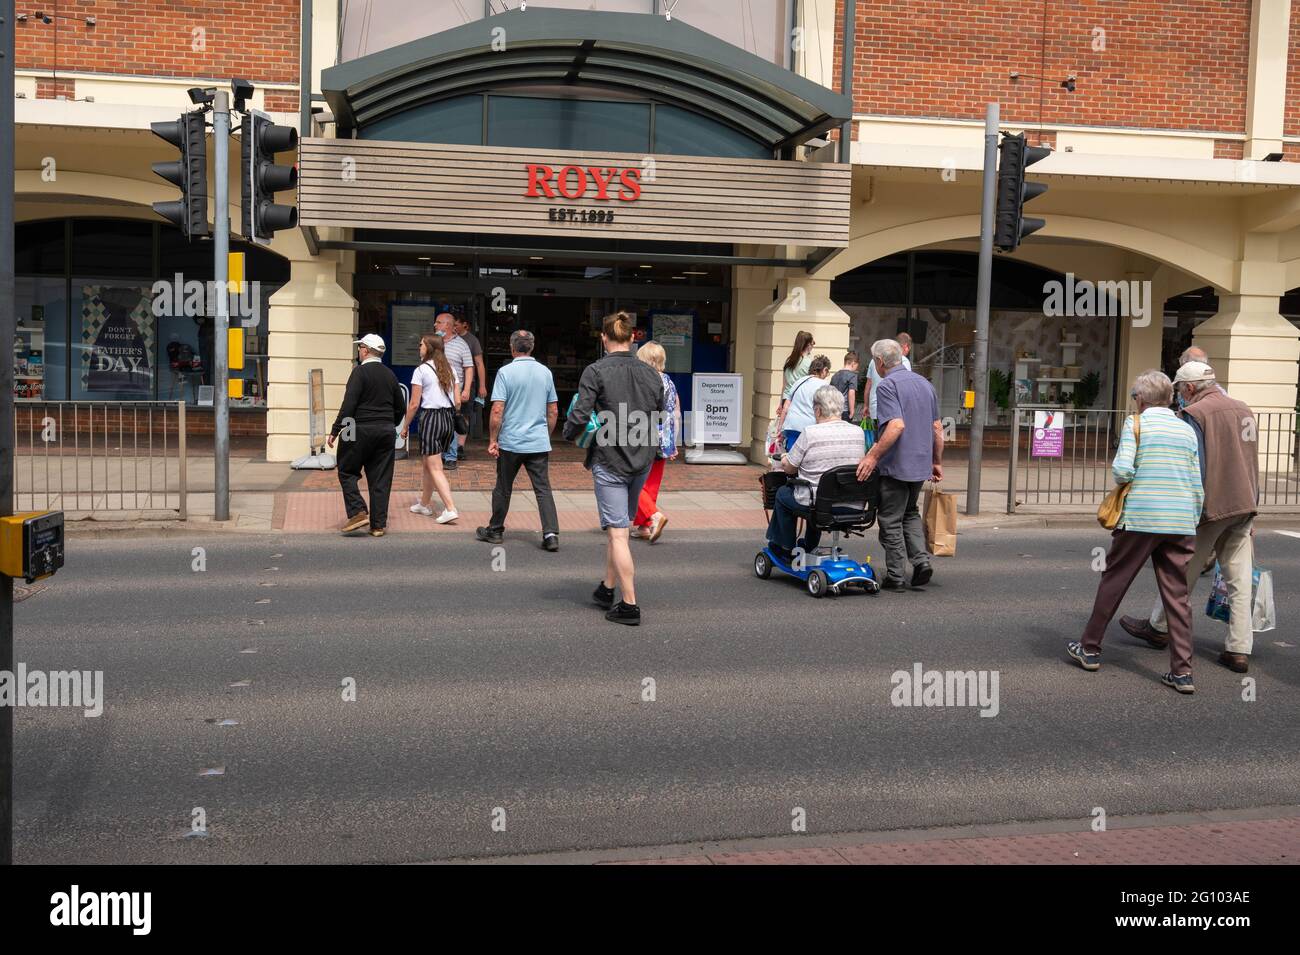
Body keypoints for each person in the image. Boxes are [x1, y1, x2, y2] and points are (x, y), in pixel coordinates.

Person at [1067, 370, 1203, 694]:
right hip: (1181, 519)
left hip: (1142, 517)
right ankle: (1183, 672)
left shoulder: (1136, 424)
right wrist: (1192, 518)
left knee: (1114, 580)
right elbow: (1198, 484)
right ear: (1170, 399)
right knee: (1177, 595)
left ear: (1141, 399)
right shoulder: (1186, 430)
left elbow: (1122, 469)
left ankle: (1089, 648)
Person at [1120, 362, 1259, 673]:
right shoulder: (1243, 408)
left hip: (1213, 506)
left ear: (1190, 388)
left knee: (1181, 574)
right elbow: (1252, 460)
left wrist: (1191, 508)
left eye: (1180, 390)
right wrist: (1254, 507)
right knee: (1239, 581)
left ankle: (1158, 629)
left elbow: (1197, 465)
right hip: (1244, 503)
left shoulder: (1196, 414)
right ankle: (1239, 649)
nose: (1179, 397)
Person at [563, 311, 664, 626]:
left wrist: (569, 434)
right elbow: (658, 413)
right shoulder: (651, 374)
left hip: (610, 460)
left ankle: (629, 605)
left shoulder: (595, 371)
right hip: (642, 458)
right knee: (618, 526)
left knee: (619, 533)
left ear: (604, 338)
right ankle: (607, 588)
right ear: (633, 338)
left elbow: (580, 414)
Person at [855, 339, 942, 590]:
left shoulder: (887, 386)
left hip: (896, 465)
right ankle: (921, 561)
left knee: (891, 519)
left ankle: (895, 575)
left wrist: (872, 456)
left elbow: (896, 425)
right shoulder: (925, 384)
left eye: (874, 360)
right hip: (920, 463)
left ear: (880, 362)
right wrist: (936, 461)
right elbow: (937, 429)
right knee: (910, 513)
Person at [475, 330, 560, 551]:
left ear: (512, 347)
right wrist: (545, 435)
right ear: (532, 347)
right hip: (537, 441)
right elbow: (553, 410)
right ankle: (551, 534)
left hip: (511, 441)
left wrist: (493, 439)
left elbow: (497, 410)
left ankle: (495, 530)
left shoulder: (505, 372)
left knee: (503, 487)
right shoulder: (545, 372)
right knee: (543, 489)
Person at [766, 386, 865, 561]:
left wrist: (783, 458)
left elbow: (790, 467)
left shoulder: (810, 433)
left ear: (818, 409)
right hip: (852, 503)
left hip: (819, 503)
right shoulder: (858, 432)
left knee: (784, 494)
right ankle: (810, 545)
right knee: (820, 490)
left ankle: (784, 547)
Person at [328, 333, 406, 538]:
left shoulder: (359, 373)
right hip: (385, 431)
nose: (358, 352)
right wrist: (390, 424)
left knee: (346, 470)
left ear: (365, 349)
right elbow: (401, 407)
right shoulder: (390, 375)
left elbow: (349, 406)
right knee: (380, 478)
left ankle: (357, 511)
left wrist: (336, 430)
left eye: (359, 348)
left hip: (357, 428)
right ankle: (378, 525)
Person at [400, 334, 460, 525]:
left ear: (429, 348)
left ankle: (450, 508)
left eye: (421, 345)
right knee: (428, 463)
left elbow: (414, 404)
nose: (419, 347)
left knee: (434, 467)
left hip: (431, 419)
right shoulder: (450, 370)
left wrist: (405, 426)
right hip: (448, 419)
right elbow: (458, 401)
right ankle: (424, 504)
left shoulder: (421, 370)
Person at [630, 341, 680, 544]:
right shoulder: (669, 381)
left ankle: (654, 515)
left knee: (630, 481)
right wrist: (674, 443)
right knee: (651, 484)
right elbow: (675, 412)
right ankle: (644, 526)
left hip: (644, 436)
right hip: (664, 438)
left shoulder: (643, 380)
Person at [434, 312, 474, 471]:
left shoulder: (462, 345)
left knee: (450, 423)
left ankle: (450, 456)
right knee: (438, 424)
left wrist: (467, 389)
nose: (435, 325)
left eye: (438, 322)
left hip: (453, 392)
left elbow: (469, 367)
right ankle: (439, 454)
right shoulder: (434, 342)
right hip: (435, 391)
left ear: (447, 326)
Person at [776, 354, 832, 450]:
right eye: (827, 372)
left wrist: (780, 428)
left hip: (792, 426)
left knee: (791, 458)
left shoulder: (799, 382)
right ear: (824, 370)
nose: (827, 375)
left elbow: (786, 407)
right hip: (810, 428)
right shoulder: (824, 385)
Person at [866, 329, 913, 425]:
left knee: (877, 436)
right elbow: (906, 385)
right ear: (906, 347)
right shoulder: (904, 361)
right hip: (892, 409)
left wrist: (866, 405)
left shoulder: (873, 360)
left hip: (874, 406)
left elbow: (868, 385)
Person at [455, 315, 488, 452]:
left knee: (465, 414)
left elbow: (479, 364)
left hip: (469, 383)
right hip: (452, 382)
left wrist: (482, 385)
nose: (455, 327)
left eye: (457, 324)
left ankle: (460, 446)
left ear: (465, 325)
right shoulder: (447, 339)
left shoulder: (472, 340)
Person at [830, 350, 861, 422]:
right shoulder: (852, 376)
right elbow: (851, 393)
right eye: (857, 366)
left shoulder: (835, 375)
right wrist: (852, 410)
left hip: (834, 410)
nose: (857, 368)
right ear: (853, 363)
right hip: (845, 410)